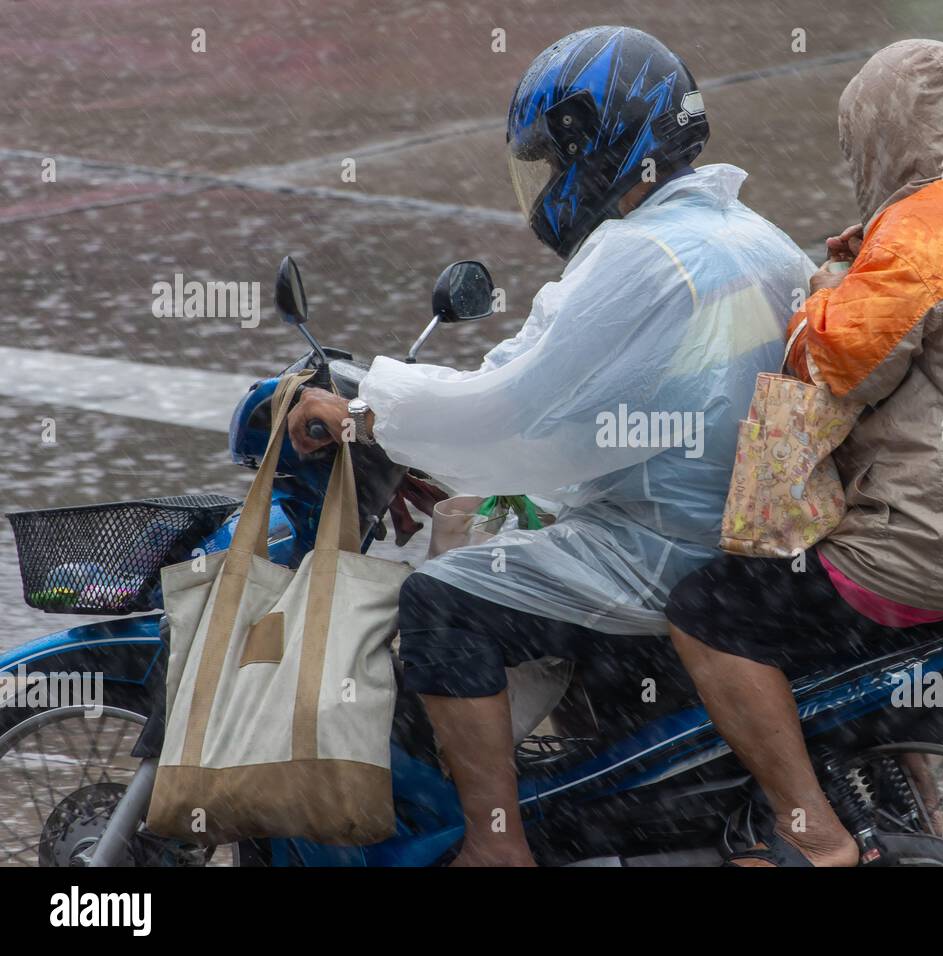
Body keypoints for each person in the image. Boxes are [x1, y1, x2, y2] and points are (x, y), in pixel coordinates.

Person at [287, 26, 812, 866]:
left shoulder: (642, 255)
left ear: (597, 145)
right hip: (731, 535)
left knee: (442, 600)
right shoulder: (757, 238)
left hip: (661, 548)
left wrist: (367, 409)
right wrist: (422, 425)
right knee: (520, 544)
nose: (549, 188)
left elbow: (515, 409)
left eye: (552, 163)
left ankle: (497, 847)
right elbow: (573, 386)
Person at [665, 38, 943, 867]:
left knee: (706, 612)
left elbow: (828, 363)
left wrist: (822, 290)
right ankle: (913, 816)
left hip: (935, 545)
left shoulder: (914, 235)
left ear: (877, 137)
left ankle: (809, 828)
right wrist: (872, 258)